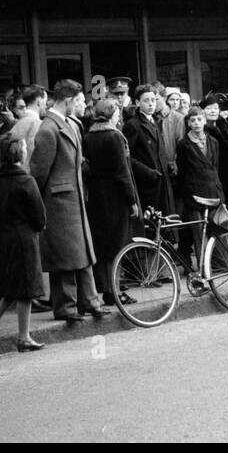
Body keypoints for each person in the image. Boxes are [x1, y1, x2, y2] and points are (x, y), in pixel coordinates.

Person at [32, 80, 111, 324]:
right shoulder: (48, 129)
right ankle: (67, 307)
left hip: (72, 198)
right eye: (77, 101)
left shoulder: (67, 124)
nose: (81, 105)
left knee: (83, 252)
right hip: (57, 202)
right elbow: (37, 173)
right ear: (66, 101)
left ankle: (90, 301)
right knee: (65, 257)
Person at [0, 137, 48, 349]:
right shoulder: (26, 181)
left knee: (12, 283)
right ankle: (23, 337)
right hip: (25, 237)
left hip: (4, 236)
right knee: (26, 288)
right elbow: (39, 215)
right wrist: (38, 226)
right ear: (19, 155)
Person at [81, 98, 140, 307]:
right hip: (115, 197)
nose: (119, 116)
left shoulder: (89, 136)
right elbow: (122, 172)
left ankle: (107, 289)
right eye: (116, 112)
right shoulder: (115, 136)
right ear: (111, 114)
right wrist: (132, 200)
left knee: (103, 246)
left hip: (97, 196)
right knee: (117, 245)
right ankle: (115, 291)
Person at [175, 108, 224, 265]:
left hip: (213, 191)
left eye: (199, 119)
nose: (196, 123)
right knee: (199, 233)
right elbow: (182, 171)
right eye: (193, 120)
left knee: (218, 227)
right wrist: (186, 194)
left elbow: (215, 167)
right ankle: (203, 266)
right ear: (188, 123)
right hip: (194, 193)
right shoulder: (184, 145)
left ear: (204, 121)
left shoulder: (213, 142)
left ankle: (220, 263)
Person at [124, 84, 174, 219]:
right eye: (146, 100)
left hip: (162, 182)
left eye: (153, 100)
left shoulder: (155, 122)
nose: (151, 104)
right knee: (152, 226)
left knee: (165, 223)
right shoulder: (133, 125)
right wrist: (147, 171)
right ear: (137, 102)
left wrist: (168, 166)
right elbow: (128, 158)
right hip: (147, 185)